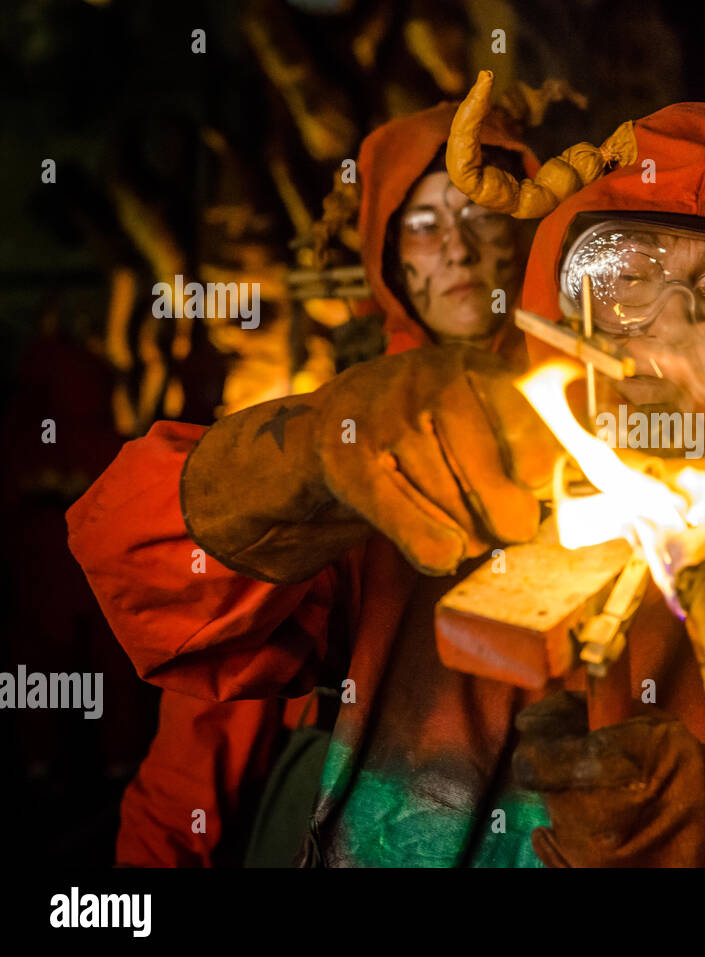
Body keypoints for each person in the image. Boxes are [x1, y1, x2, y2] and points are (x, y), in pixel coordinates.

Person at [70, 81, 705, 867]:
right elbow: (146, 582)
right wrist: (303, 459)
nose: (670, 319)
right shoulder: (419, 496)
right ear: (562, 297)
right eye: (629, 275)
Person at [113, 101, 538, 866]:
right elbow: (208, 722)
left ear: (525, 234)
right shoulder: (341, 434)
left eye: (483, 214)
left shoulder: (586, 431)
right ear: (389, 255)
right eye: (424, 223)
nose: (459, 249)